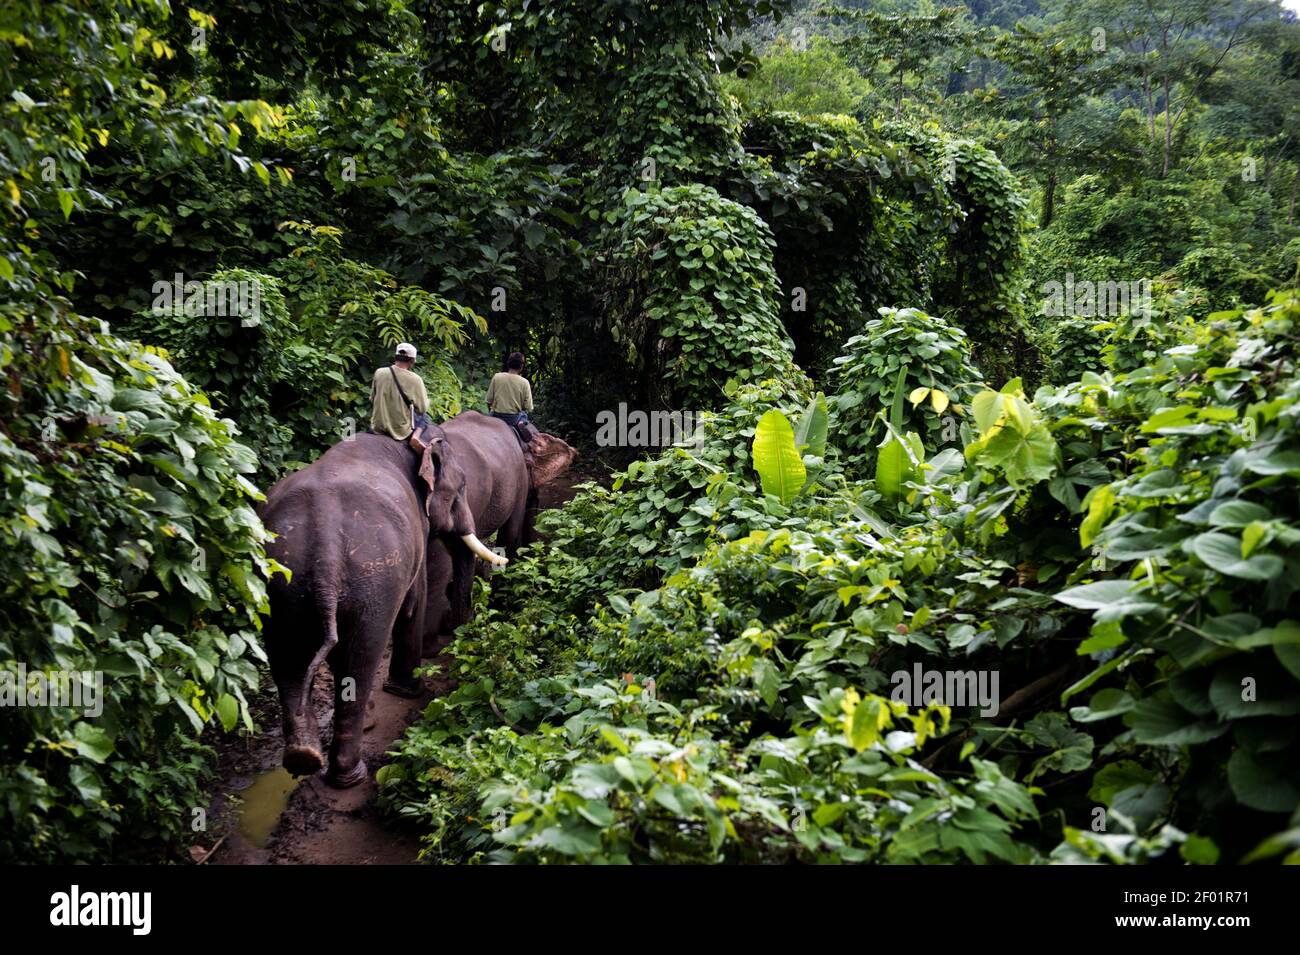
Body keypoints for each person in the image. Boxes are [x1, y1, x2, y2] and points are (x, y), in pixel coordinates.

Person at [370, 342, 430, 440]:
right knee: (425, 418)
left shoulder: (379, 372)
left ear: (396, 357)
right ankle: (415, 441)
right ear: (412, 360)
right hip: (400, 430)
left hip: (377, 426)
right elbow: (421, 409)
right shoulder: (415, 379)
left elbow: (372, 398)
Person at [486, 351, 534, 437]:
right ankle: (521, 423)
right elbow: (528, 407)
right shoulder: (524, 382)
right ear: (521, 366)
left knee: (489, 415)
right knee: (524, 415)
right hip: (513, 419)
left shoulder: (497, 377)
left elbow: (489, 400)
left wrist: (491, 411)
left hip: (497, 416)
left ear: (508, 363)